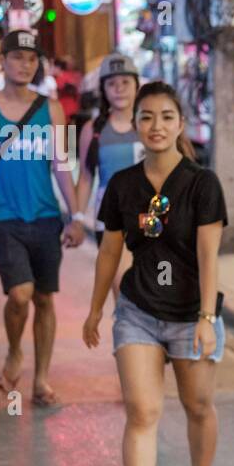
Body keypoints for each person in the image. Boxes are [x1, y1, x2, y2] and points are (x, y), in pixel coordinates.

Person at [82, 82, 227, 466]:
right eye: (146, 117)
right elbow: (109, 252)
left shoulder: (203, 184)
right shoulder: (123, 185)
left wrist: (206, 318)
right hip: (138, 310)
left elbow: (209, 257)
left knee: (198, 405)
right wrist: (94, 310)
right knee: (142, 411)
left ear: (181, 124)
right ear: (135, 124)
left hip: (191, 314)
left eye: (166, 116)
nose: (156, 126)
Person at [0, 30, 88, 407]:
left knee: (45, 298)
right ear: (3, 61)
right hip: (4, 217)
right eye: (17, 57)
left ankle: (42, 379)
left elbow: (62, 164)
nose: (24, 65)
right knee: (20, 295)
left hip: (46, 216)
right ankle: (15, 350)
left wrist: (76, 215)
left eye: (31, 59)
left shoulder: (52, 109)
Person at [75, 52, 142, 300]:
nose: (119, 89)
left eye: (125, 82)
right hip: (111, 223)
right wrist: (78, 217)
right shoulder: (92, 131)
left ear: (137, 84)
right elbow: (85, 177)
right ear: (103, 89)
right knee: (123, 294)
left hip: (153, 223)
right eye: (112, 84)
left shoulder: (151, 125)